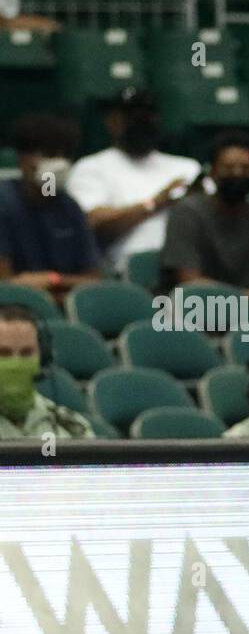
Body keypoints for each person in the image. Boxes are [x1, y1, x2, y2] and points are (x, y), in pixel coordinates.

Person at [65, 87, 200, 274]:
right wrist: (157, 202)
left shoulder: (187, 168)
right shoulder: (90, 167)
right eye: (132, 116)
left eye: (148, 115)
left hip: (187, 270)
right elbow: (91, 223)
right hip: (123, 274)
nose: (142, 122)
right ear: (112, 121)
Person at [160, 130, 249, 301]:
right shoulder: (188, 213)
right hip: (195, 310)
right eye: (228, 168)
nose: (238, 174)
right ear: (213, 172)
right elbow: (190, 282)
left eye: (246, 168)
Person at [0, 113, 101, 300]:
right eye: (49, 155)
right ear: (23, 159)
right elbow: (6, 284)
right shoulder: (4, 202)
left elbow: (94, 280)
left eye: (64, 156)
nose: (58, 164)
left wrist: (53, 279)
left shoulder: (70, 207)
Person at [0, 303, 95, 440]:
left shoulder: (71, 426)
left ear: (43, 359)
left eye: (26, 353)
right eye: (4, 353)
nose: (16, 363)